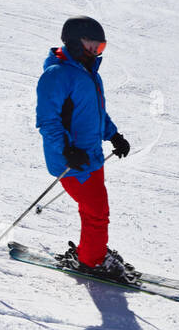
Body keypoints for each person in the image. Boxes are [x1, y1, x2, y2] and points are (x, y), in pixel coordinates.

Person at [34, 17, 134, 282]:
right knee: (97, 212)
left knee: (93, 210)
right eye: (93, 46)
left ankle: (92, 250)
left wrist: (114, 136)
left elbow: (96, 113)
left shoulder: (88, 73)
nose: (97, 52)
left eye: (100, 48)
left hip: (90, 158)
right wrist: (66, 149)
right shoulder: (57, 75)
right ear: (77, 42)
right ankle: (92, 261)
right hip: (71, 161)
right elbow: (47, 121)